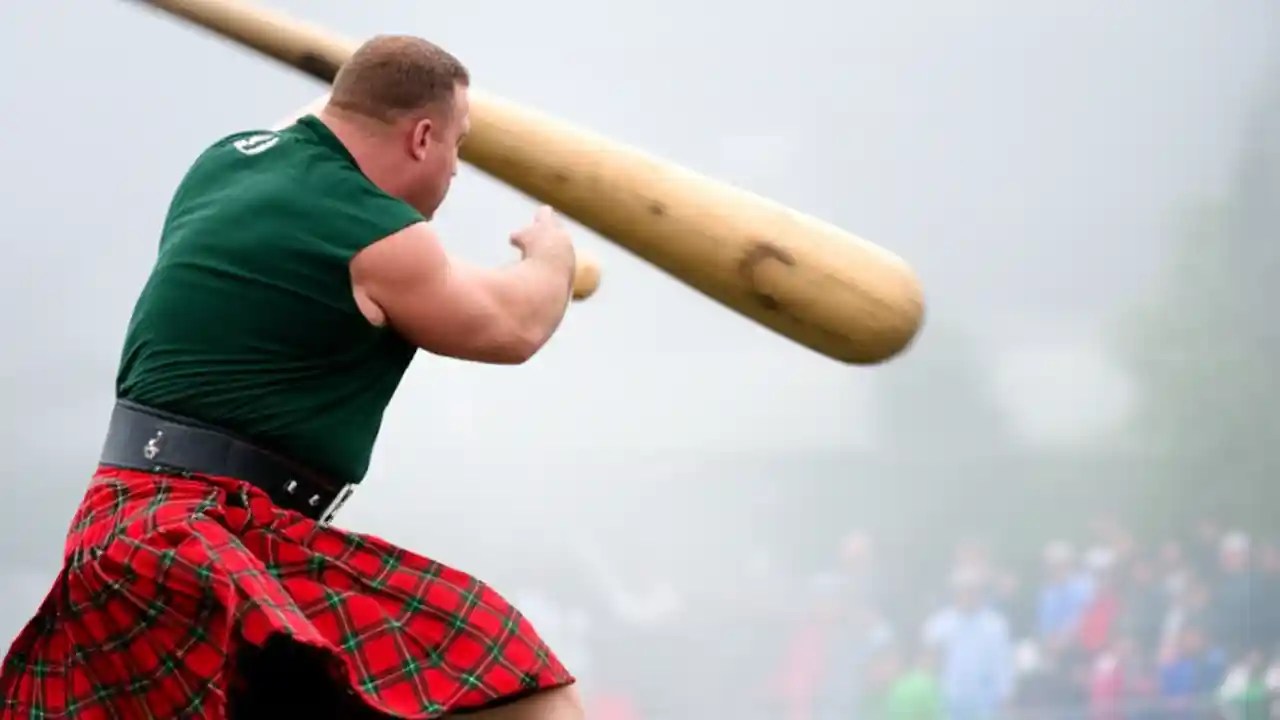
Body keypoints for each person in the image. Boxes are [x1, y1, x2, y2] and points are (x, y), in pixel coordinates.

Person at [0, 34, 584, 719]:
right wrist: (553, 256)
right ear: (423, 138)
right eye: (459, 146)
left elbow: (313, 131)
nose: (454, 172)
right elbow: (512, 326)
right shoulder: (379, 237)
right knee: (522, 692)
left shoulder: (225, 164)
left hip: (122, 528)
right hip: (206, 531)